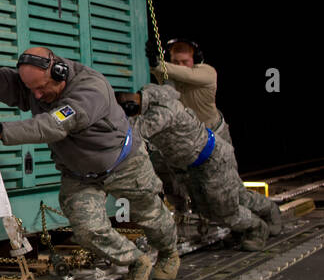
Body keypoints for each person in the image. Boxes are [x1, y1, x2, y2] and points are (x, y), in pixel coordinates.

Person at [0, 24, 178, 280]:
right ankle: (136, 261)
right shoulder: (39, 87)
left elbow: (54, 124)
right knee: (86, 229)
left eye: (41, 89)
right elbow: (5, 83)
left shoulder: (90, 89)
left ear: (59, 74)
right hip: (80, 174)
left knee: (151, 215)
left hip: (124, 164)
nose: (36, 96)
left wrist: (1, 130)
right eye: (31, 90)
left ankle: (169, 254)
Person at [117, 84, 279, 249]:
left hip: (212, 160)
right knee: (216, 206)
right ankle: (269, 211)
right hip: (198, 163)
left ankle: (257, 229)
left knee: (225, 212)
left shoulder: (162, 113)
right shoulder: (154, 100)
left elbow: (135, 132)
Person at [151, 37, 279, 232]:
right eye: (175, 61)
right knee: (198, 191)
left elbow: (180, 74)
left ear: (196, 60)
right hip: (192, 143)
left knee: (233, 192)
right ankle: (205, 223)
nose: (180, 66)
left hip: (217, 139)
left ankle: (269, 211)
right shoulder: (170, 76)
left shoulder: (206, 72)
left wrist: (158, 64)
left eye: (185, 61)